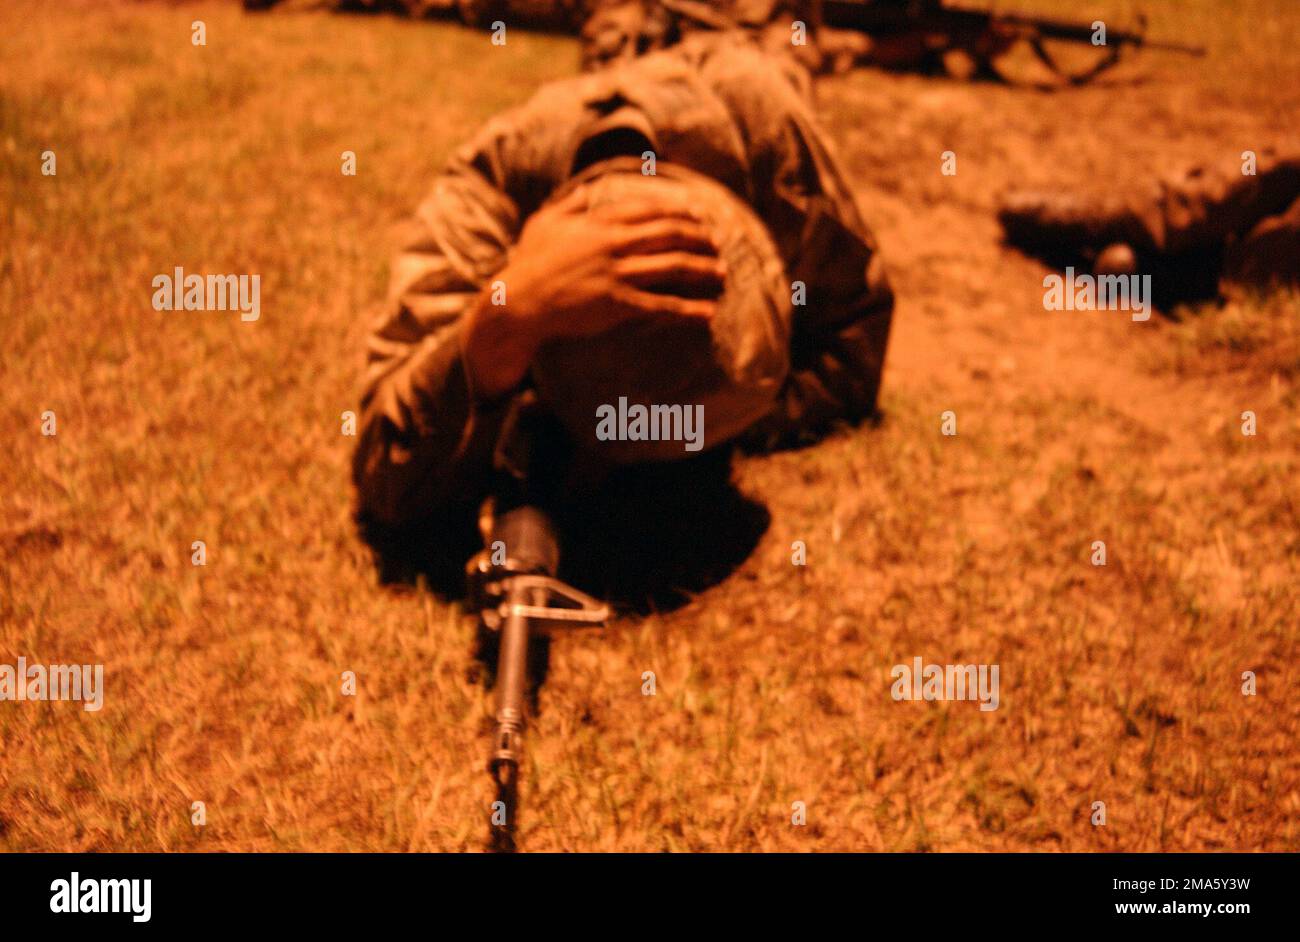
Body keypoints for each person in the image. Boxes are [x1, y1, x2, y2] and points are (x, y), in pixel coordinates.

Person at [351, 35, 892, 592]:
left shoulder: (765, 133)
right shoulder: (492, 185)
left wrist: (712, 427)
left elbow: (855, 344)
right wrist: (504, 320)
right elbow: (384, 468)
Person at [999, 149, 1300, 307]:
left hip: (1233, 273)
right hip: (1219, 236)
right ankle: (1129, 220)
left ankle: (1152, 265)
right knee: (1268, 175)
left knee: (1123, 267)